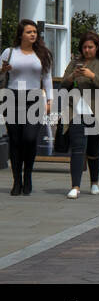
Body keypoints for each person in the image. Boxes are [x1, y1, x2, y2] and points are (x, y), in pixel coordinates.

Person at [58, 31, 99, 198]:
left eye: (90, 47)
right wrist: (72, 76)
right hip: (76, 111)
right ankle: (75, 186)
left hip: (97, 112)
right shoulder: (74, 63)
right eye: (84, 47)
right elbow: (63, 85)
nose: (87, 50)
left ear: (97, 47)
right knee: (78, 149)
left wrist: (92, 76)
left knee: (93, 150)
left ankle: (94, 182)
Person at [2, 20, 53, 196]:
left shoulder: (42, 54)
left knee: (30, 138)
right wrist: (3, 70)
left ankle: (28, 176)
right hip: (12, 97)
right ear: (21, 34)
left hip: (34, 98)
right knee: (15, 140)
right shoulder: (9, 52)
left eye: (35, 32)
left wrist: (49, 101)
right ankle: (17, 180)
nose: (33, 34)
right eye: (29, 32)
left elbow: (47, 77)